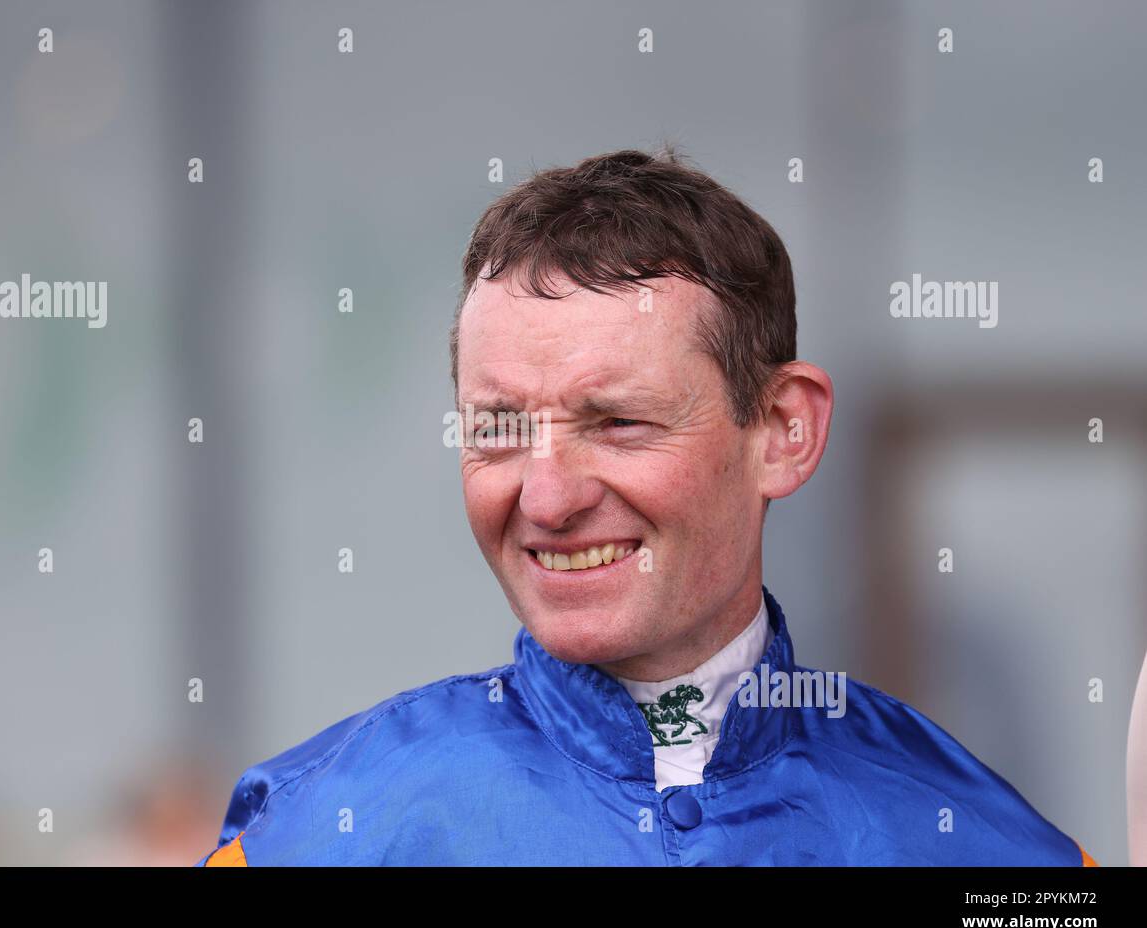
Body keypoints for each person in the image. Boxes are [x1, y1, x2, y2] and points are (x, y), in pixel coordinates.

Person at [198, 147, 1096, 866]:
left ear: (784, 429)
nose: (547, 498)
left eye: (620, 421)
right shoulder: (321, 837)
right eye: (500, 428)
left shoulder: (988, 852)